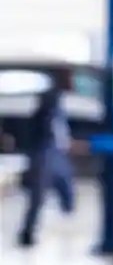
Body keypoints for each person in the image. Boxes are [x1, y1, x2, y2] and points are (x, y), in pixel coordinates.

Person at [18, 69, 77, 247]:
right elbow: (51, 128)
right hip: (46, 153)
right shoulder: (51, 103)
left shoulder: (54, 105)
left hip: (51, 153)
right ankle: (28, 233)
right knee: (40, 195)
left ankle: (30, 232)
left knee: (45, 194)